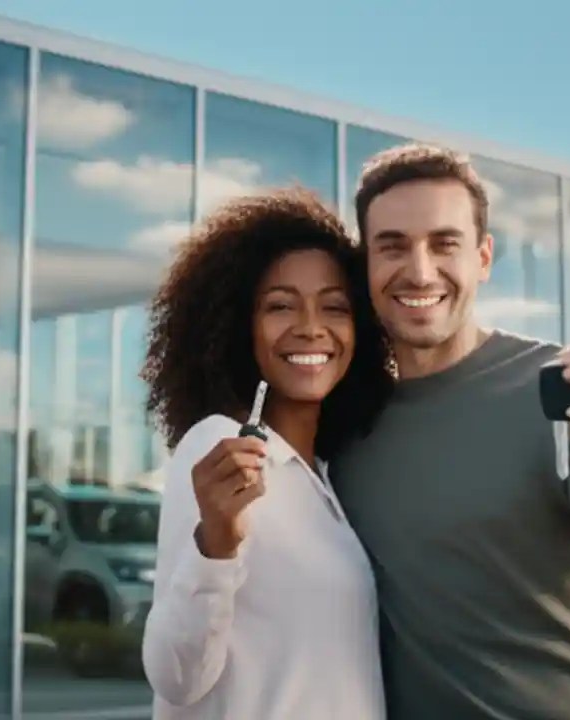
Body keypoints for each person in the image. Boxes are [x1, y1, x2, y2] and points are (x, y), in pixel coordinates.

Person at [332, 143, 570, 719]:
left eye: (444, 243)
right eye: (393, 246)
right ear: (366, 266)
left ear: (483, 258)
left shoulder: (560, 390)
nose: (420, 270)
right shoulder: (348, 424)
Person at [139, 187, 393, 719]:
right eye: (280, 305)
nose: (310, 326)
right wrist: (215, 543)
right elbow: (175, 678)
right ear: (238, 325)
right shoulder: (219, 446)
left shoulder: (324, 477)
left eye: (335, 307)